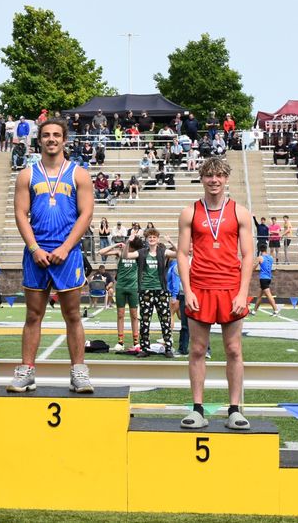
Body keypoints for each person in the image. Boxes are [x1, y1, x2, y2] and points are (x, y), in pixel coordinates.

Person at [8, 118, 94, 393]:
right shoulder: (27, 175)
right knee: (33, 315)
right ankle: (27, 371)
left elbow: (86, 214)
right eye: (46, 135)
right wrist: (34, 248)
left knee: (73, 315)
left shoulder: (79, 174)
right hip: (37, 252)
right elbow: (21, 213)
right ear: (40, 140)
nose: (51, 139)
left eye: (57, 135)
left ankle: (79, 372)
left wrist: (66, 248)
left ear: (65, 140)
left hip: (67, 252)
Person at [177, 156, 254, 430]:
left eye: (219, 175)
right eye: (209, 175)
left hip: (231, 287)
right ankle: (197, 408)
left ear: (226, 179)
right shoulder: (189, 212)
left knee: (233, 349)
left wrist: (243, 292)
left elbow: (248, 256)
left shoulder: (240, 212)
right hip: (200, 286)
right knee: (197, 349)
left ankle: (235, 409)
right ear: (202, 178)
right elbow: (182, 254)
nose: (214, 180)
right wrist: (187, 291)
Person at [122, 229, 177, 357]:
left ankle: (168, 347)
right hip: (146, 290)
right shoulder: (142, 252)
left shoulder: (163, 252)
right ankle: (145, 348)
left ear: (157, 239)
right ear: (146, 239)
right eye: (149, 237)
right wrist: (128, 242)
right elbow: (125, 256)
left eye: (154, 237)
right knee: (145, 320)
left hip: (161, 290)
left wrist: (171, 241)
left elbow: (180, 253)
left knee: (165, 320)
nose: (151, 239)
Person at [100, 236, 141, 352]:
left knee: (134, 315)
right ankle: (120, 341)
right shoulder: (120, 252)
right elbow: (101, 252)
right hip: (121, 287)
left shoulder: (137, 254)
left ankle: (136, 342)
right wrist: (116, 245)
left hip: (133, 287)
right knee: (120, 315)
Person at [252, 244, 280, 316]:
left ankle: (276, 310)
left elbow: (254, 267)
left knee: (269, 295)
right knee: (260, 296)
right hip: (269, 278)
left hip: (263, 278)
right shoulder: (270, 257)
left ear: (260, 250)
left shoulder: (260, 258)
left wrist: (249, 271)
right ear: (266, 249)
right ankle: (254, 311)